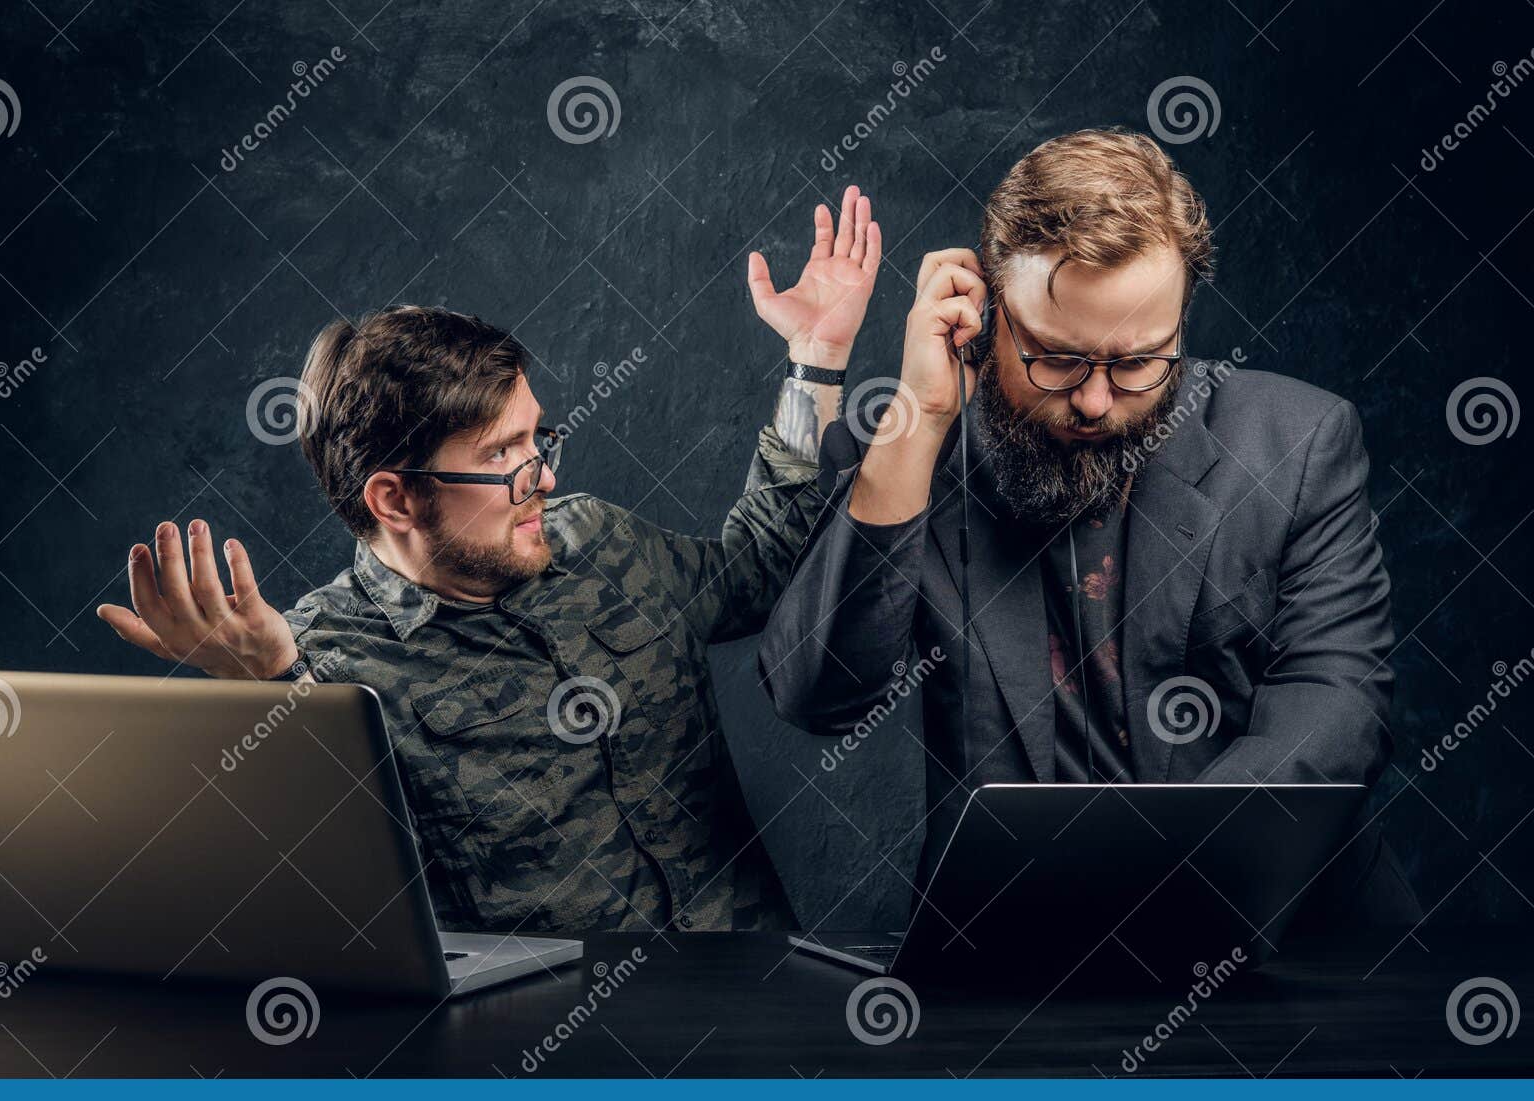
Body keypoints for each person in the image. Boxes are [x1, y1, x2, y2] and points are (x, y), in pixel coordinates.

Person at [96, 186, 884, 933]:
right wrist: (272, 689)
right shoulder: (325, 667)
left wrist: (815, 360)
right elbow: (323, 899)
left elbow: (762, 570)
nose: (545, 475)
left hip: (758, 1011)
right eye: (506, 455)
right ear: (394, 499)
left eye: (536, 438)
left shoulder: (600, 541)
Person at [759, 130, 1420, 928]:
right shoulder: (910, 455)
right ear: (985, 316)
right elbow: (818, 694)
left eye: (1140, 362)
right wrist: (921, 417)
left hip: (1281, 943)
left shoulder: (1300, 442)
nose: (1097, 401)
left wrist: (1151, 877)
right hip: (1015, 955)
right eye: (1058, 359)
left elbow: (1338, 705)